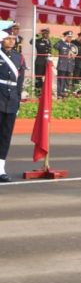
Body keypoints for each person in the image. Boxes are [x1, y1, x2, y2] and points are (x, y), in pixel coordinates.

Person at [0, 31, 25, 182]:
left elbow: (20, 82)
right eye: (8, 38)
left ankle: (0, 168)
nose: (11, 41)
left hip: (11, 101)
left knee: (6, 135)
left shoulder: (19, 57)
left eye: (13, 39)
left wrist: (18, 100)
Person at [54, 31, 77, 97]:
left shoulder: (73, 46)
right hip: (62, 66)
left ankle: (65, 93)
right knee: (61, 80)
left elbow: (75, 54)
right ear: (65, 37)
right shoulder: (61, 44)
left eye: (71, 37)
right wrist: (62, 40)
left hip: (69, 66)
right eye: (68, 37)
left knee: (67, 80)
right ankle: (59, 94)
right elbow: (55, 46)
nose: (70, 38)